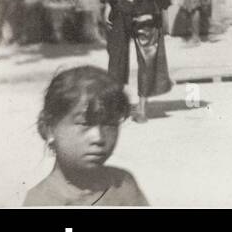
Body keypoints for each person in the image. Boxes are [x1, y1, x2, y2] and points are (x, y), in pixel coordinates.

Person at [24, 65, 148, 206]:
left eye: (110, 124)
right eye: (85, 124)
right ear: (49, 129)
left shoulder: (123, 184)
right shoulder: (41, 202)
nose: (99, 138)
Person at [101, 0, 174, 122]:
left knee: (117, 57)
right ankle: (141, 109)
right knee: (147, 56)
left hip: (120, 5)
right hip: (147, 6)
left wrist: (106, 3)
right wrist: (163, 8)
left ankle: (117, 108)